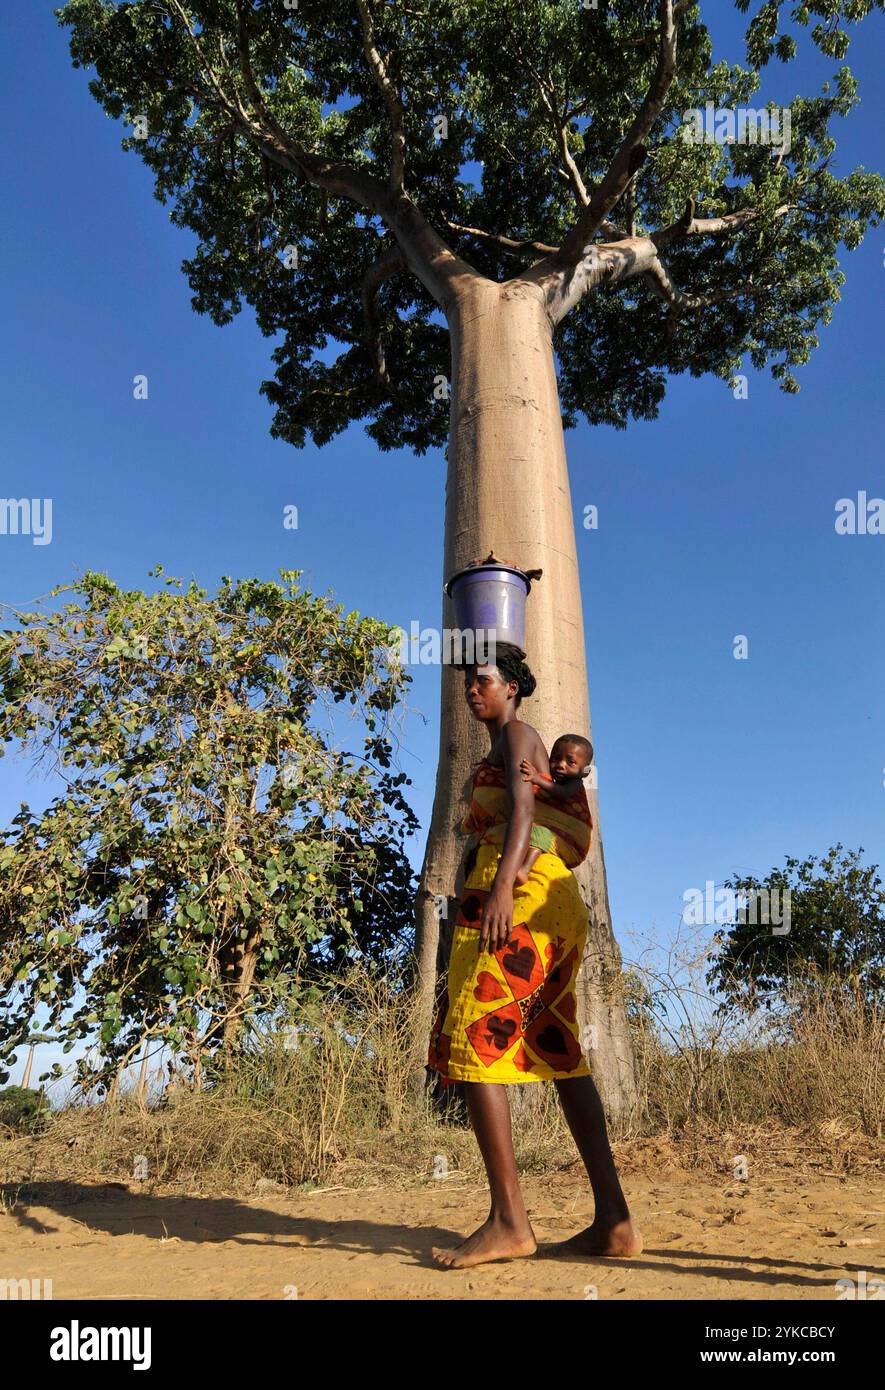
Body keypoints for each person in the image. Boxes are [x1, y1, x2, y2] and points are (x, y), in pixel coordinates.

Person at [426, 644, 642, 1269]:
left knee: (474, 1032)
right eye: (468, 680)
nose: (473, 689)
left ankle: (509, 1222)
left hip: (517, 895)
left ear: (513, 687)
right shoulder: (503, 743)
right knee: (555, 1047)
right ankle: (615, 1222)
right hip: (549, 900)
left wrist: (499, 887)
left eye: (484, 679)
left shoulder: (519, 733)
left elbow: (522, 809)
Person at [514, 734, 594, 886]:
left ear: (585, 772)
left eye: (570, 762)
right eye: (556, 758)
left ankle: (524, 870)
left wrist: (537, 779)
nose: (560, 764)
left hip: (573, 843)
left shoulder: (575, 783)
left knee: (541, 834)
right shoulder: (559, 780)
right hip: (561, 836)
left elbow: (561, 793)